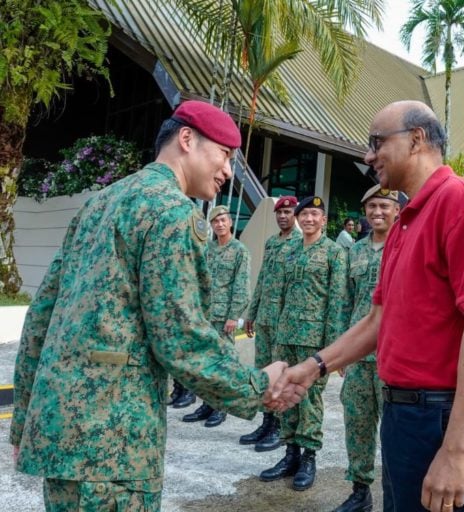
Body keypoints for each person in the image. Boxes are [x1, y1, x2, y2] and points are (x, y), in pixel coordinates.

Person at [8, 100, 299, 510]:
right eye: (225, 154)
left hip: (60, 440)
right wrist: (257, 386)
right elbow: (180, 337)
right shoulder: (171, 212)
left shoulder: (100, 203)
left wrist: (23, 425)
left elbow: (41, 316)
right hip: (115, 447)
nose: (228, 171)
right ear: (186, 140)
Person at [268, 101, 464, 512]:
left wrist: (456, 449)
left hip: (440, 416)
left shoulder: (458, 202)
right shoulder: (405, 222)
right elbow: (378, 319)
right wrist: (313, 366)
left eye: (377, 142)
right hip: (404, 413)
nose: (368, 155)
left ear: (416, 140)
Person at [259, 195, 349, 491]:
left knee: (309, 399)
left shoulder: (334, 253)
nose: (309, 219)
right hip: (285, 334)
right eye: (304, 215)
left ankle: (309, 456)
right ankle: (290, 454)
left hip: (314, 340)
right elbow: (280, 294)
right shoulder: (289, 251)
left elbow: (336, 302)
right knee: (284, 393)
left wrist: (333, 349)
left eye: (314, 215)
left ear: (323, 220)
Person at [334, 184, 400, 512]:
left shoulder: (404, 245)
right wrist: (342, 351)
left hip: (393, 352)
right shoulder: (356, 251)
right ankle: (360, 491)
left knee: (394, 427)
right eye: (372, 206)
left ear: (397, 210)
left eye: (384, 206)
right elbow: (345, 302)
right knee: (357, 421)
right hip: (360, 355)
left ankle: (394, 493)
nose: (377, 212)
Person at [181, 205, 251, 428]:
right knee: (207, 362)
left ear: (230, 222)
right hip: (206, 315)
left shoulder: (239, 250)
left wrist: (233, 316)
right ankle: (207, 404)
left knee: (224, 363)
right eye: (215, 221)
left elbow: (241, 286)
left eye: (223, 220)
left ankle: (221, 408)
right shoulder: (208, 249)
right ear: (211, 226)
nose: (220, 224)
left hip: (224, 318)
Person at [241, 195, 300, 451]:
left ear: (294, 215)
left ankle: (280, 426)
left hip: (284, 322)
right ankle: (266, 421)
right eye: (280, 212)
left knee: (281, 376)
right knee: (263, 370)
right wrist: (251, 313)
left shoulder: (300, 243)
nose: (283, 216)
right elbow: (262, 279)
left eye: (287, 212)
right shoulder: (271, 243)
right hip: (265, 318)